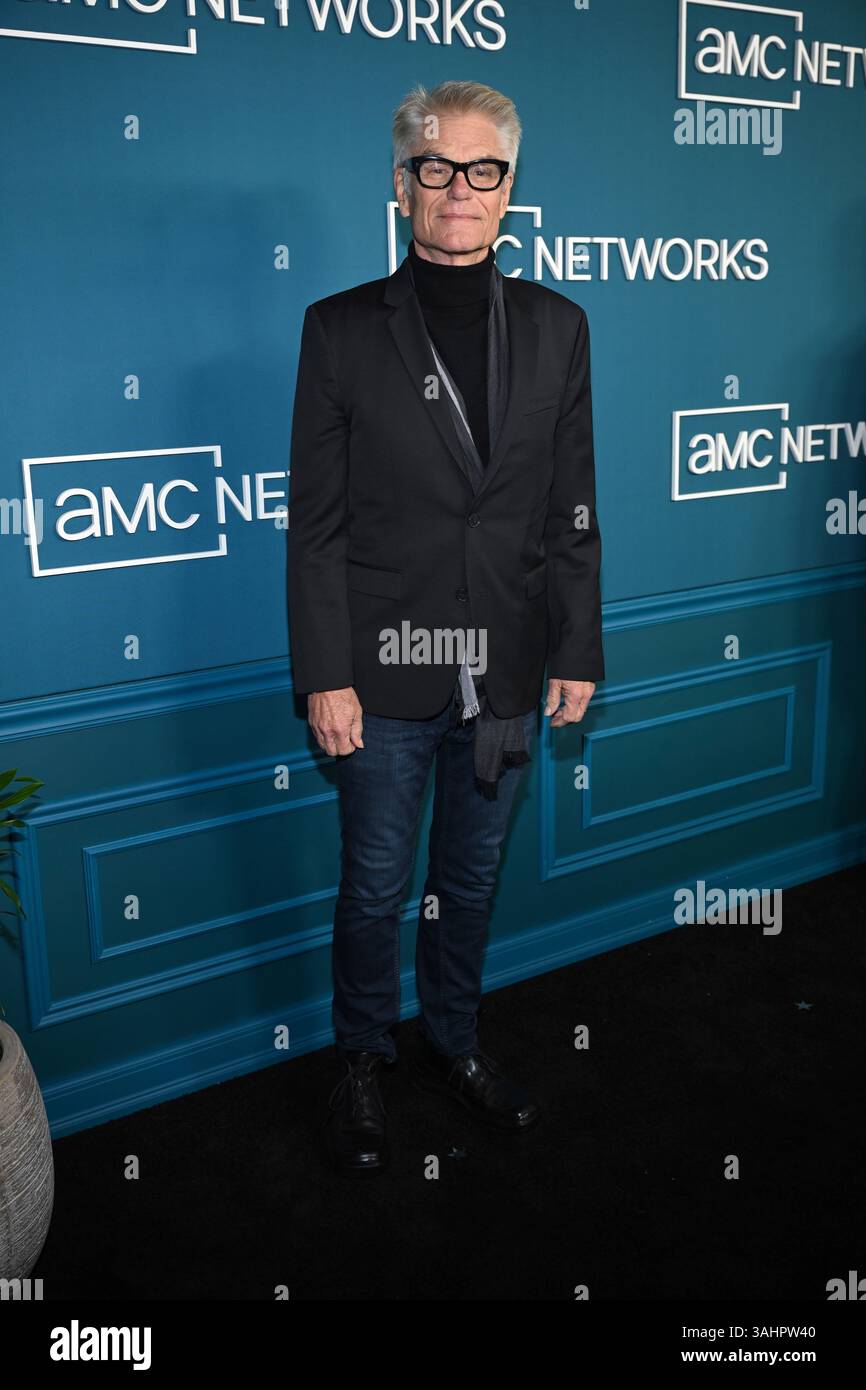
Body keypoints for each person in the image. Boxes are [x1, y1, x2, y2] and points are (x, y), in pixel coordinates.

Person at [287, 79, 604, 1175]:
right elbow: (315, 528)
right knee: (375, 884)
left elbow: (572, 507)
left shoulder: (561, 329)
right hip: (377, 678)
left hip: (506, 675)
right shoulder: (336, 330)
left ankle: (454, 1041)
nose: (457, 189)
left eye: (482, 170)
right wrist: (324, 674)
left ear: (508, 189)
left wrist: (578, 647)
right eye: (435, 167)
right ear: (400, 182)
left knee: (466, 885)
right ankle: (362, 1057)